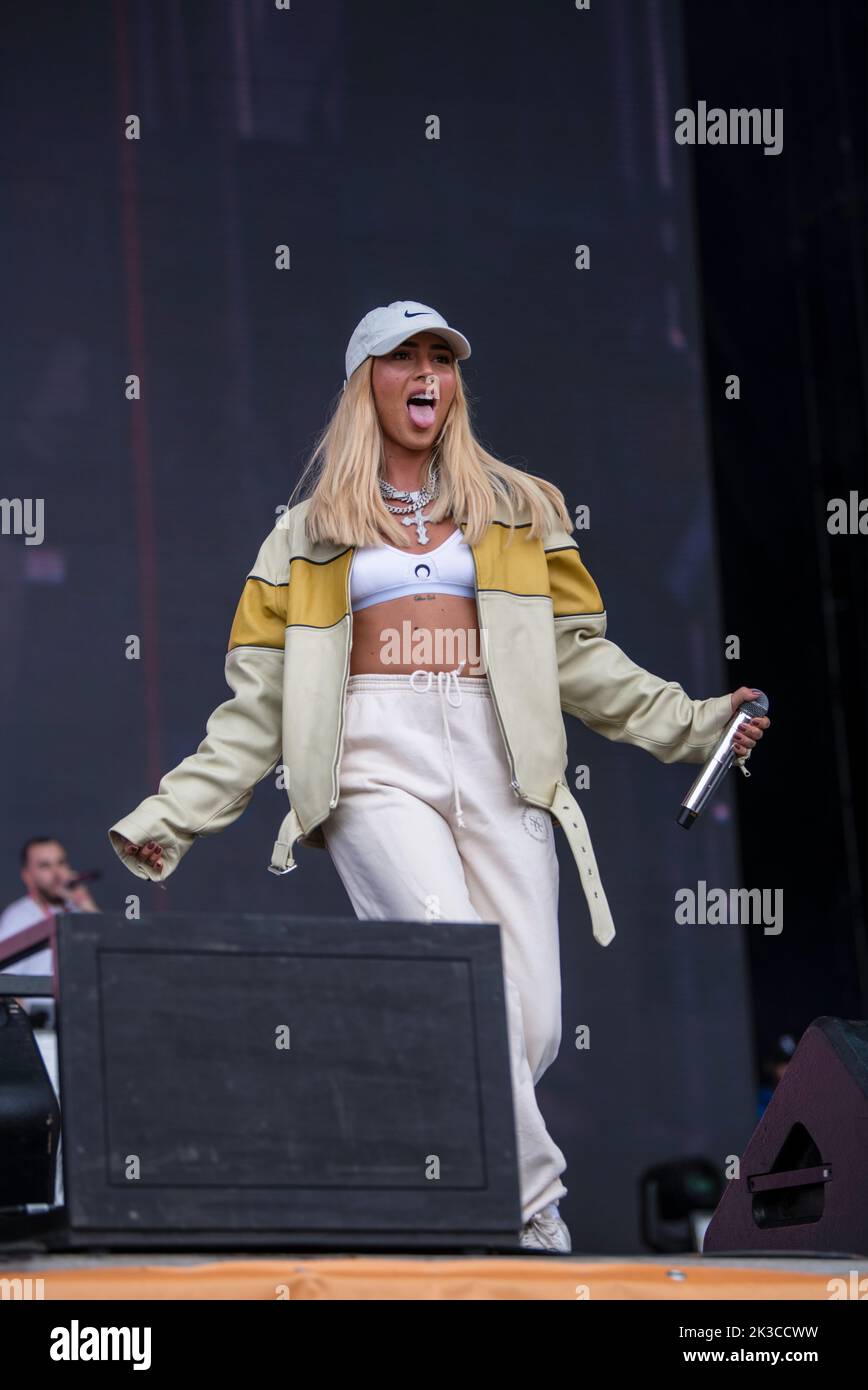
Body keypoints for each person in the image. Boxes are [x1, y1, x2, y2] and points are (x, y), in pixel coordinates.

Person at [108, 299, 770, 1253]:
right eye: (404, 357)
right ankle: (532, 1216)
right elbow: (260, 706)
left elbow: (579, 658)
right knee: (460, 979)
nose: (427, 373)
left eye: (441, 358)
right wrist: (174, 813)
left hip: (505, 760)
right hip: (372, 761)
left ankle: (453, 1187)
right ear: (363, 381)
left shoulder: (520, 508)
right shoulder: (304, 535)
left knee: (531, 1021)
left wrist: (696, 724)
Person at [0, 836, 98, 1027]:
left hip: (85, 1026)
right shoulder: (18, 917)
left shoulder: (79, 910)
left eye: (61, 863)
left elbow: (112, 949)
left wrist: (84, 902)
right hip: (41, 1031)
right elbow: (5, 986)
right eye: (45, 866)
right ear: (27, 876)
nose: (57, 873)